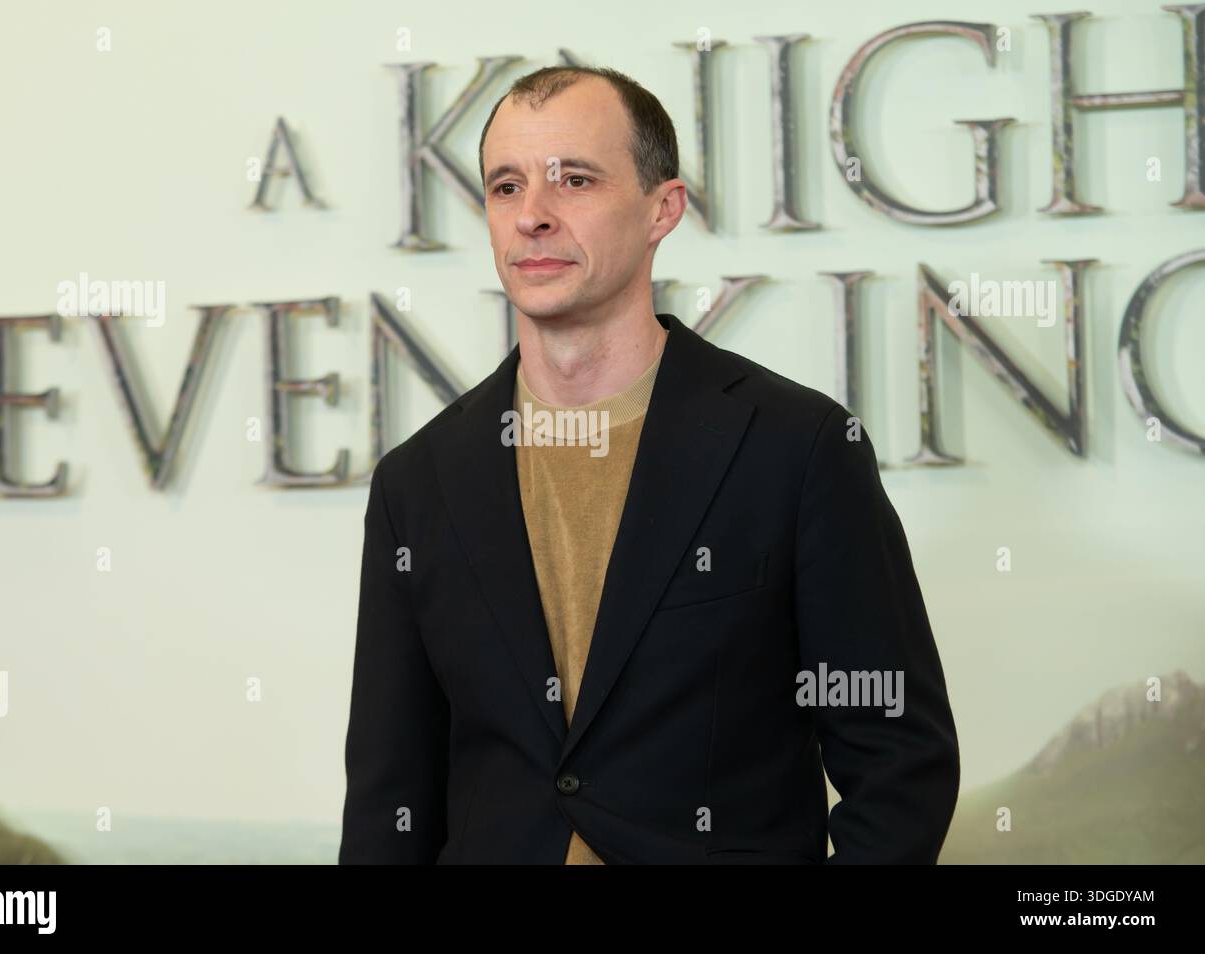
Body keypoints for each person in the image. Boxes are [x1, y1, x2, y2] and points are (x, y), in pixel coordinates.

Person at [339, 65, 959, 864]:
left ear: (663, 208)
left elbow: (899, 763)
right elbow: (390, 798)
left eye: (575, 180)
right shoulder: (417, 483)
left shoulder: (797, 448)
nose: (532, 215)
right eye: (505, 186)